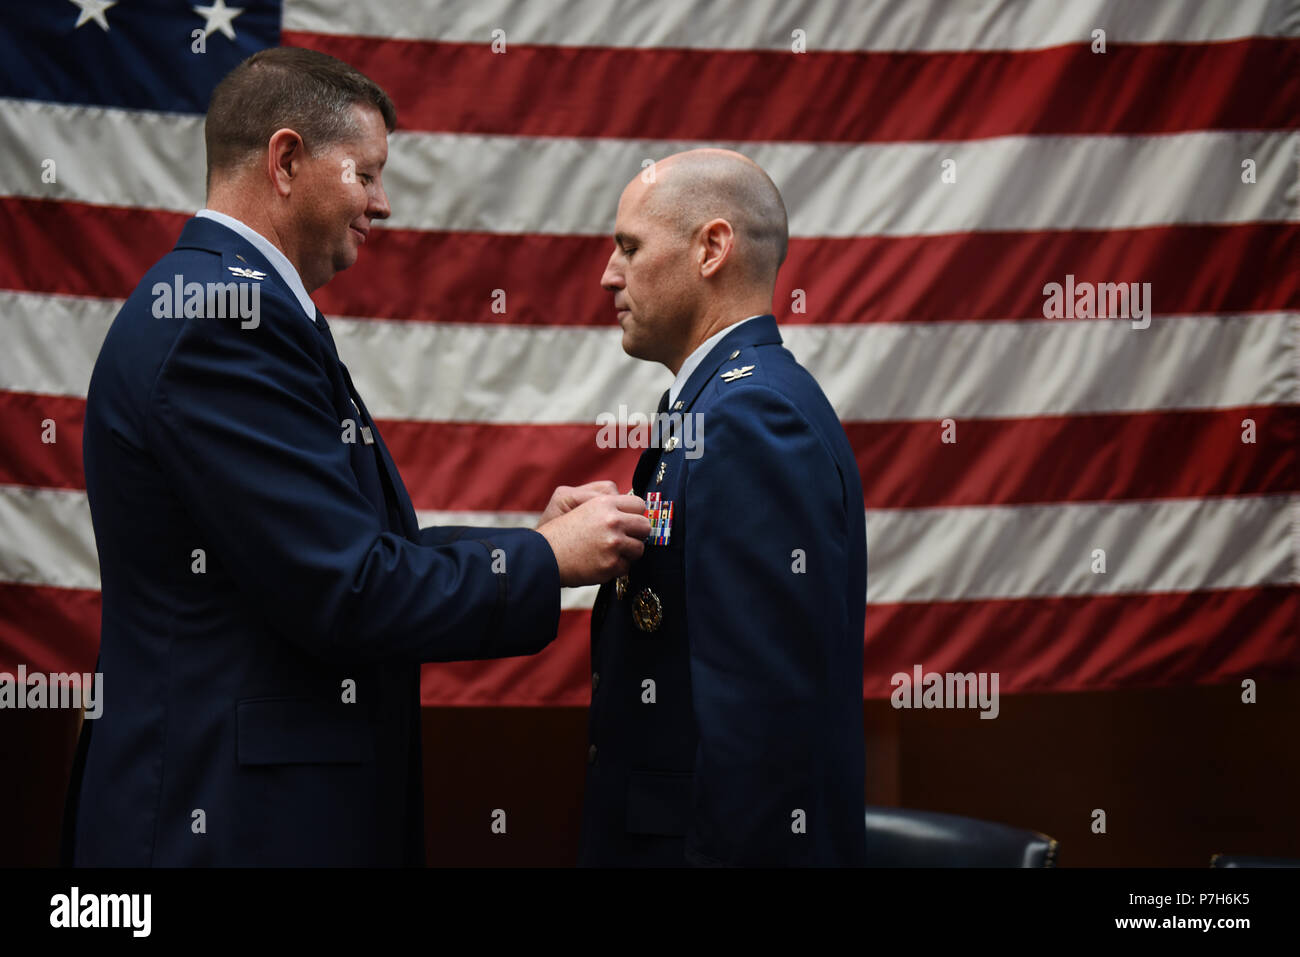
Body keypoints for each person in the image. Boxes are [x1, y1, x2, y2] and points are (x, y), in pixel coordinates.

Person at [62, 47, 649, 866]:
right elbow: (345, 589)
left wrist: (525, 539)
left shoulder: (237, 302)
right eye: (366, 174)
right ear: (287, 159)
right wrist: (541, 563)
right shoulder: (224, 323)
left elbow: (337, 547)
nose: (383, 203)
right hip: (226, 823)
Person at [579, 149, 868, 866]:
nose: (608, 275)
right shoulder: (717, 404)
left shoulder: (751, 417)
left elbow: (762, 730)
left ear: (711, 248)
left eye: (629, 247)